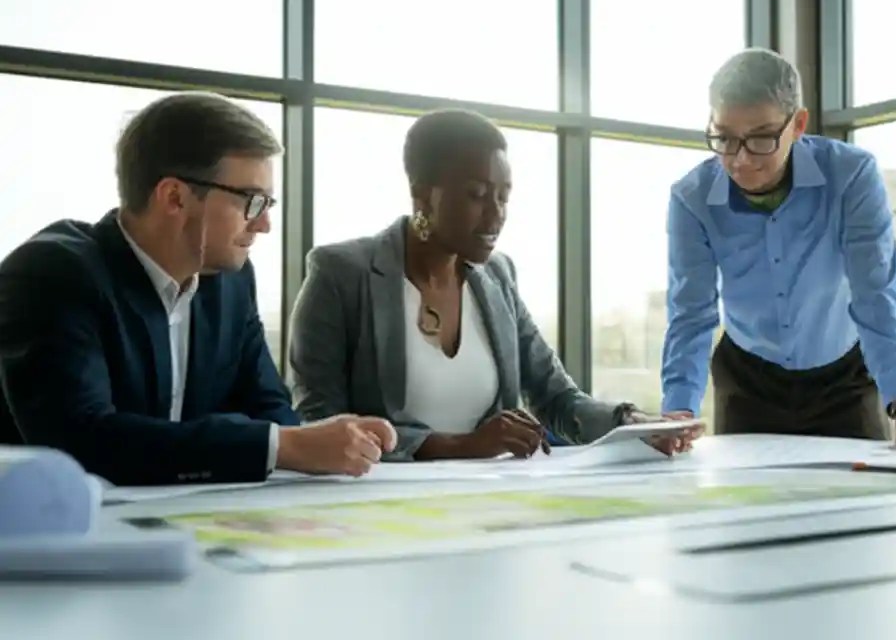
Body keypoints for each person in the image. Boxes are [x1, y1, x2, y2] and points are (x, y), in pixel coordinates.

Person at [0, 92, 397, 486]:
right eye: (253, 202)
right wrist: (284, 446)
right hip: (49, 529)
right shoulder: (53, 274)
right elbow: (83, 440)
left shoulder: (231, 279)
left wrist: (330, 442)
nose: (263, 225)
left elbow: (267, 407)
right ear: (174, 197)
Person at [289, 109, 699, 460]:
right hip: (381, 515)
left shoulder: (498, 277)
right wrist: (459, 446)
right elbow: (319, 422)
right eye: (477, 195)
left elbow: (556, 398)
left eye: (504, 196)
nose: (496, 214)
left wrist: (630, 423)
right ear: (421, 194)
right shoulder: (341, 274)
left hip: (491, 508)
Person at [661, 48, 896, 451]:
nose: (741, 160)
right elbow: (691, 316)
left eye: (762, 138)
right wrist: (676, 414)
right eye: (725, 139)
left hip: (844, 381)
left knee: (862, 503)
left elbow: (876, 296)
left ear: (798, 124)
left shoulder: (852, 177)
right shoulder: (691, 199)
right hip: (747, 382)